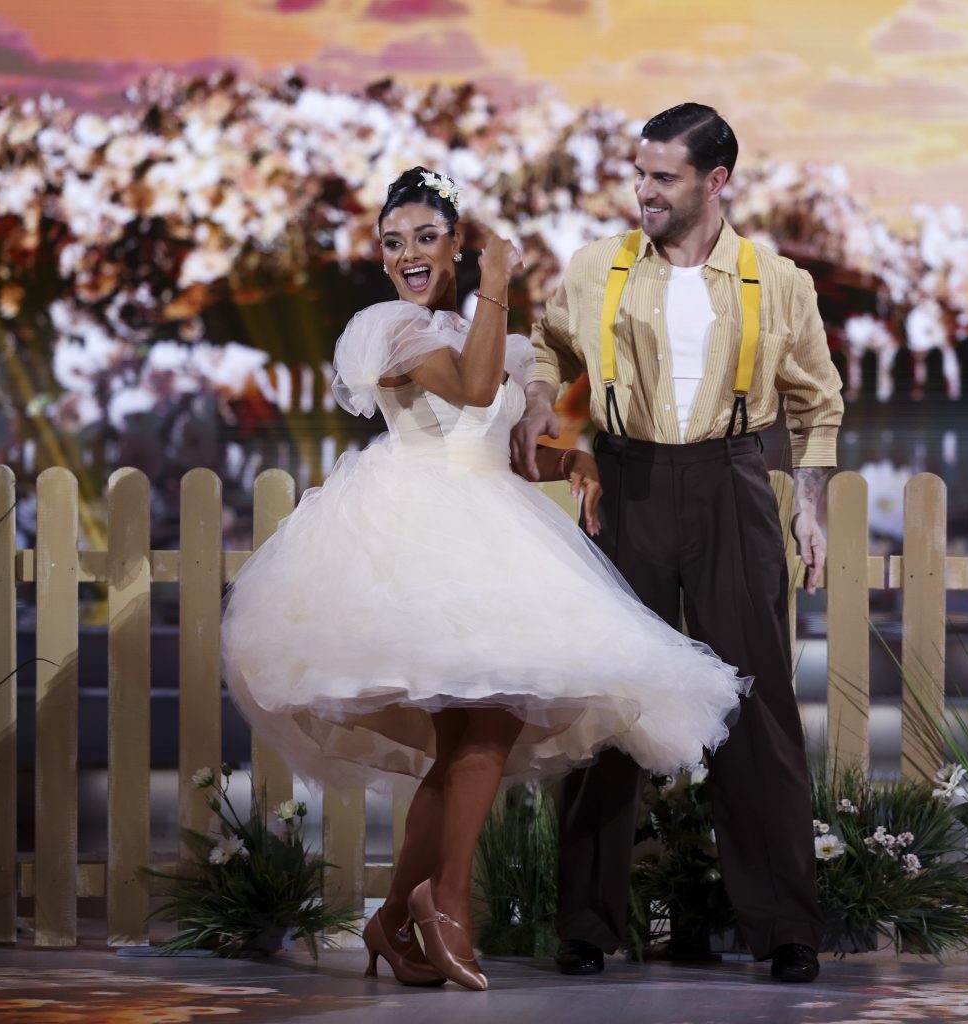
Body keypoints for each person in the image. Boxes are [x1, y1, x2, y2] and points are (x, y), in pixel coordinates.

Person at [220, 166, 749, 992]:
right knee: (487, 726)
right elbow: (465, 393)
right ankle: (446, 905)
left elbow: (494, 433)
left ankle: (398, 918)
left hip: (492, 527)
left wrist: (565, 457)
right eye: (393, 243)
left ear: (456, 241)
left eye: (427, 237)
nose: (408, 256)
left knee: (476, 736)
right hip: (424, 534)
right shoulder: (390, 328)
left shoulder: (488, 339)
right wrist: (500, 279)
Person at [512, 104, 845, 984]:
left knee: (756, 702)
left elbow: (816, 403)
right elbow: (548, 350)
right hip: (626, 485)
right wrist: (549, 408)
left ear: (716, 181)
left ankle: (785, 927)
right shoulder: (597, 269)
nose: (643, 191)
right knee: (609, 698)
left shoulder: (777, 281)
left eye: (663, 177)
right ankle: (586, 925)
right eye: (640, 173)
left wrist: (810, 504)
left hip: (733, 485)